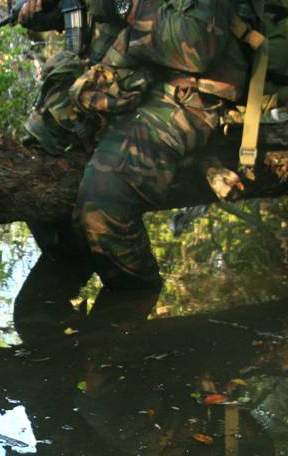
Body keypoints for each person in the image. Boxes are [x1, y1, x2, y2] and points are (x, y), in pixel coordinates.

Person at [16, 0, 249, 289]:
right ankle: (71, 268)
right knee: (29, 167)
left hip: (187, 91)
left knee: (104, 203)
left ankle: (134, 304)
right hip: (123, 75)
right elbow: (96, 17)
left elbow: (197, 46)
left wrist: (119, 4)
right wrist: (49, 11)